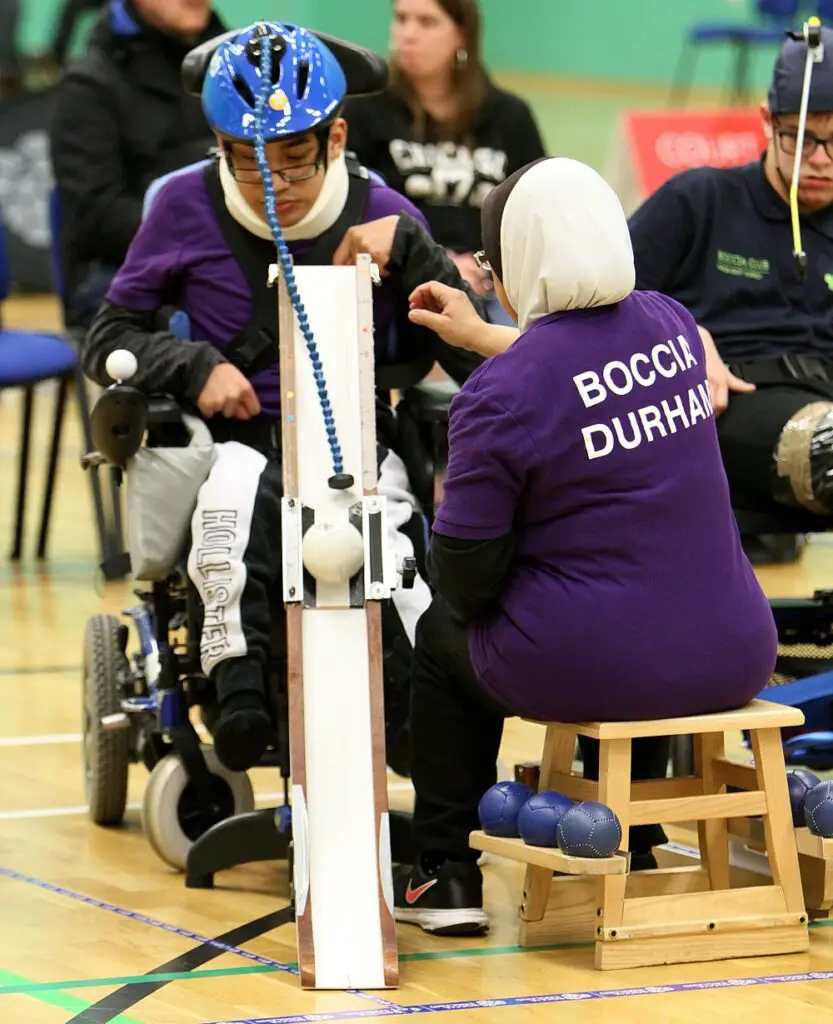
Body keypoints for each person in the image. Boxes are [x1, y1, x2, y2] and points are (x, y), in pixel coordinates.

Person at [82, 22, 485, 777]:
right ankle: (237, 694)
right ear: (218, 144)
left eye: (293, 163)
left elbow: (472, 357)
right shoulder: (180, 206)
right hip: (237, 436)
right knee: (228, 512)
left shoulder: (385, 210)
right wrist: (190, 362)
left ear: (334, 138)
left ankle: (404, 710)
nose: (275, 185)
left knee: (388, 542)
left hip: (356, 441)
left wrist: (415, 255)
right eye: (248, 165)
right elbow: (108, 337)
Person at [391, 156, 778, 936]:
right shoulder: (669, 324)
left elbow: (466, 582)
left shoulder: (495, 397)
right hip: (735, 651)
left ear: (520, 264)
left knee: (440, 635)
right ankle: (630, 841)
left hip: (598, 669)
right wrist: (482, 335)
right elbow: (578, 370)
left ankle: (444, 876)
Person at [627, 27, 833, 532]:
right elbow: (596, 301)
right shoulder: (700, 199)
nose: (822, 159)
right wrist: (684, 334)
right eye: (802, 138)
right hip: (734, 401)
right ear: (767, 122)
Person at [342, 0, 545, 321]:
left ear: (461, 35)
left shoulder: (509, 117)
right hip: (398, 284)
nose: (407, 34)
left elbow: (535, 214)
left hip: (493, 287)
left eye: (427, 22)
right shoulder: (365, 110)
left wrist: (485, 271)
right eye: (401, 18)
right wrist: (441, 265)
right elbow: (353, 212)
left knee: (523, 343)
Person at [50, 0, 225, 329]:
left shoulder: (235, 63)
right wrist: (206, 240)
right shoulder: (89, 84)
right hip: (117, 269)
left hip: (224, 252)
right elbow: (97, 214)